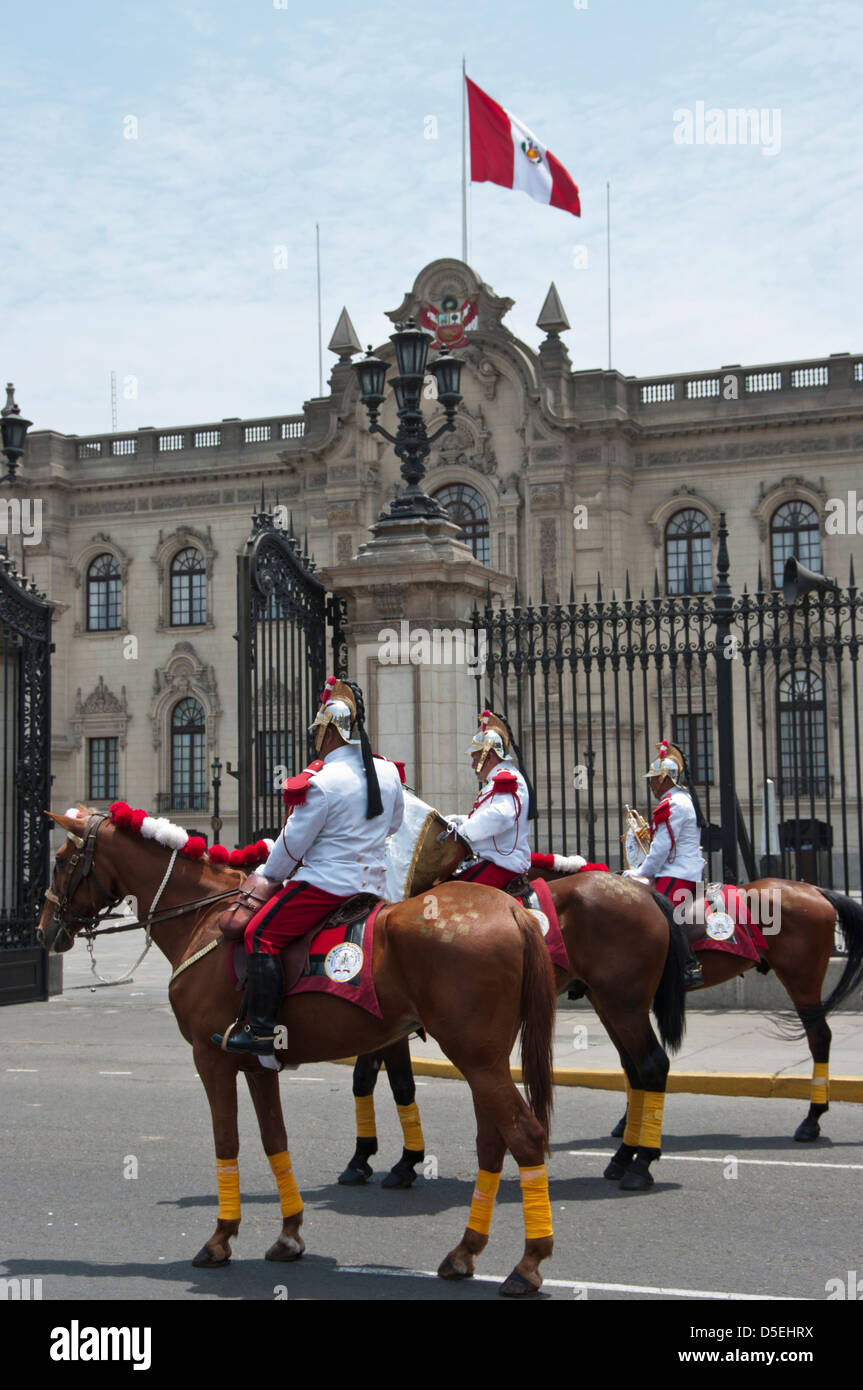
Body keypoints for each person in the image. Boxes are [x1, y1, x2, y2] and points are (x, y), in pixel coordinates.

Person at [212, 677, 404, 1055]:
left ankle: (261, 1029)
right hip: (374, 887)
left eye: (320, 732)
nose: (318, 739)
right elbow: (394, 825)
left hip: (327, 886)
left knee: (260, 935)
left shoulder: (321, 781)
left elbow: (292, 844)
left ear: (331, 732)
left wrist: (267, 875)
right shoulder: (388, 772)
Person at [622, 738, 704, 987]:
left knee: (664, 912)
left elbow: (661, 848)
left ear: (666, 778)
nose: (650, 784)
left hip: (678, 872)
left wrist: (641, 873)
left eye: (653, 778)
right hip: (675, 868)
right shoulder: (679, 800)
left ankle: (690, 965)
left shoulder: (673, 804)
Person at [445, 709, 532, 890]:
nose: (472, 765)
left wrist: (462, 831)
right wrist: (456, 821)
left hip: (501, 864)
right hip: (491, 859)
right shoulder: (498, 779)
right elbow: (486, 816)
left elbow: (499, 817)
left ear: (489, 757)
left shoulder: (505, 779)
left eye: (475, 758)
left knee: (454, 896)